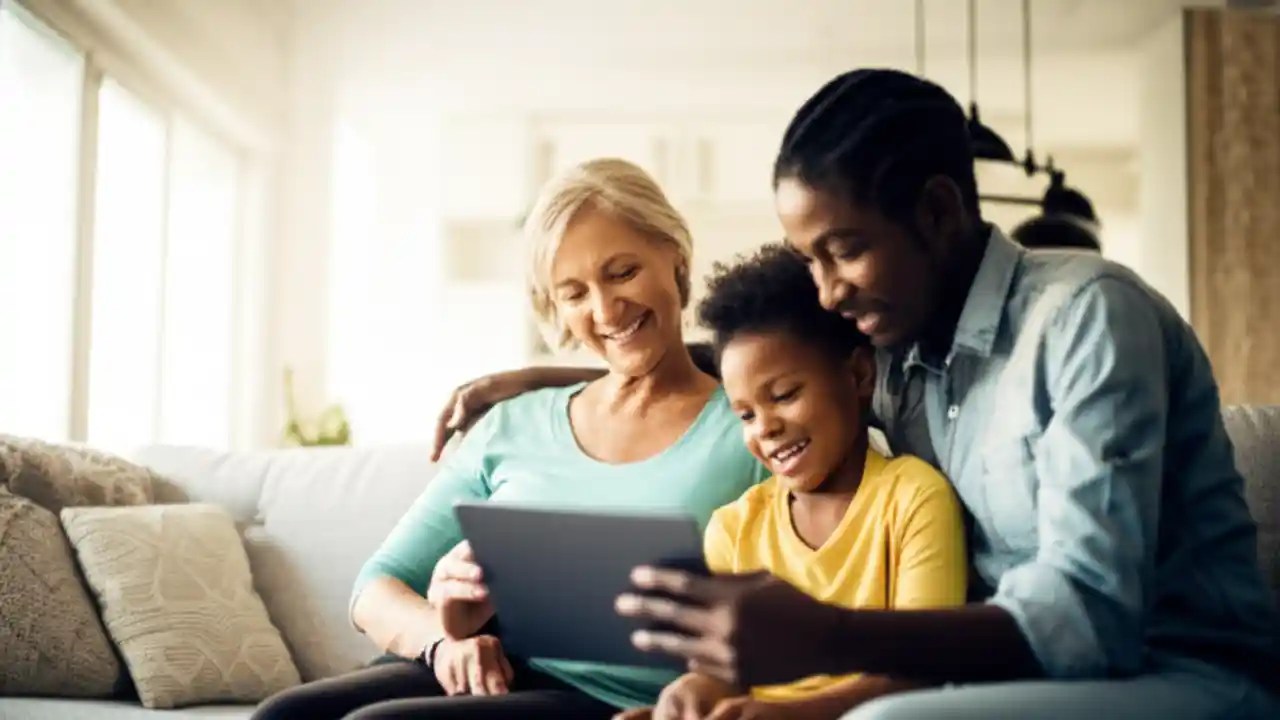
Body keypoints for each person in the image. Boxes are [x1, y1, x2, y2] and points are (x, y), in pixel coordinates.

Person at [437, 69, 1280, 719]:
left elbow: (1090, 621)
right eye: (809, 262)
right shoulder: (901, 354)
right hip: (1009, 683)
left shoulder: (1090, 318)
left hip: (1180, 675)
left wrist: (825, 633)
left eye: (843, 251)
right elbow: (775, 369)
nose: (828, 291)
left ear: (939, 211)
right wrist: (559, 375)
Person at [252, 158, 768, 720]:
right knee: (284, 716)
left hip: (618, 703)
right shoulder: (512, 424)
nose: (604, 310)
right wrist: (444, 639)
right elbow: (376, 587)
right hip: (486, 673)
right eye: (573, 294)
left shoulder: (752, 426)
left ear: (676, 257)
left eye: (622, 273)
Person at [616, 244, 967, 720]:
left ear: (860, 374)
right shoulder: (734, 528)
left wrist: (794, 716)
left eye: (784, 395)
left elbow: (922, 670)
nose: (765, 427)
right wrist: (690, 694)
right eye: (745, 414)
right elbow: (719, 673)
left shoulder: (913, 498)